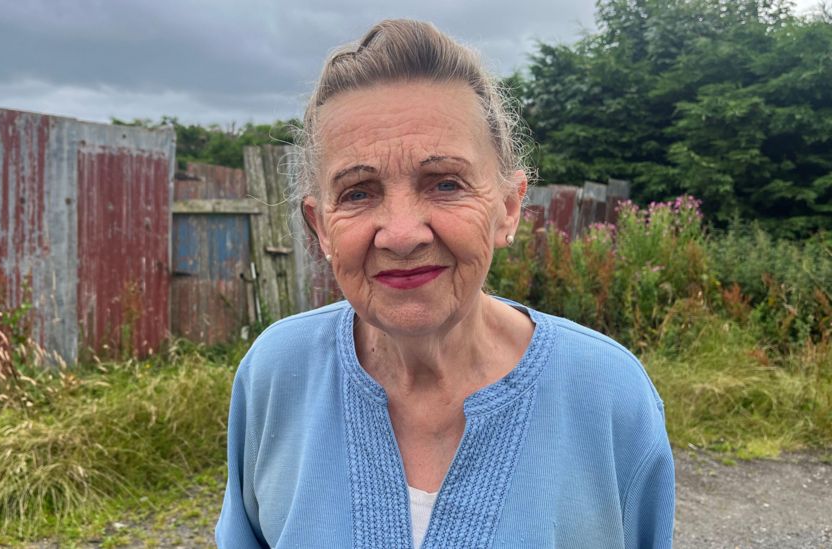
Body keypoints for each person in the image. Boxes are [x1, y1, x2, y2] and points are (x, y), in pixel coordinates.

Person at [216, 19, 674, 549]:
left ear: (508, 207)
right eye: (359, 192)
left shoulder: (610, 393)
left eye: (446, 183)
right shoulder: (277, 373)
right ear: (320, 226)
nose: (403, 234)